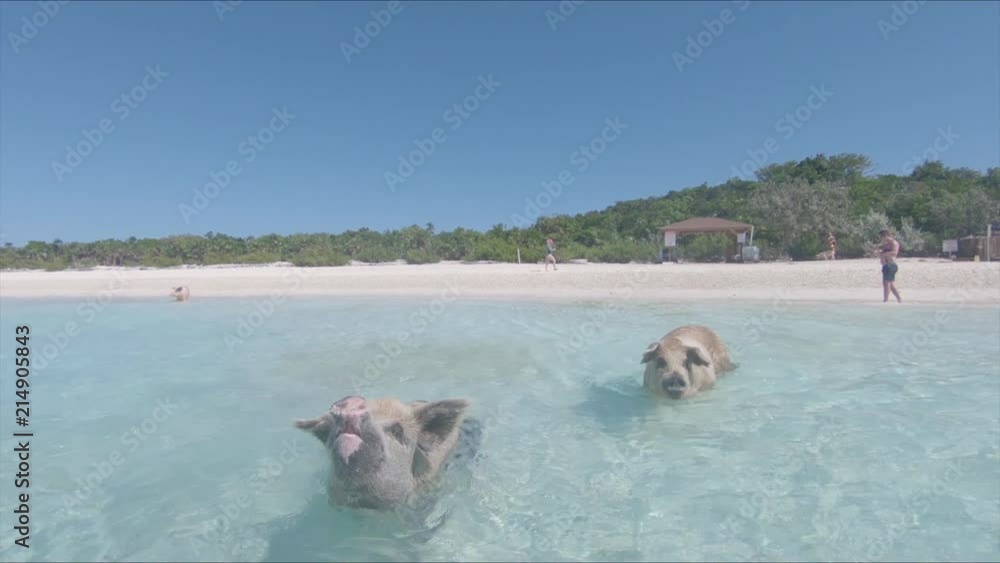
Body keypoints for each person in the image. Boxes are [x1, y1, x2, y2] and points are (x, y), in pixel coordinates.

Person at [878, 230, 901, 303]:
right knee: (890, 284)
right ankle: (899, 299)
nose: (881, 239)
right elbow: (881, 253)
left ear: (886, 236)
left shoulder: (894, 243)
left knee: (886, 283)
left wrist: (885, 254)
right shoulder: (885, 244)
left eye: (882, 237)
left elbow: (895, 253)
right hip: (885, 265)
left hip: (891, 265)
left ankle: (885, 300)